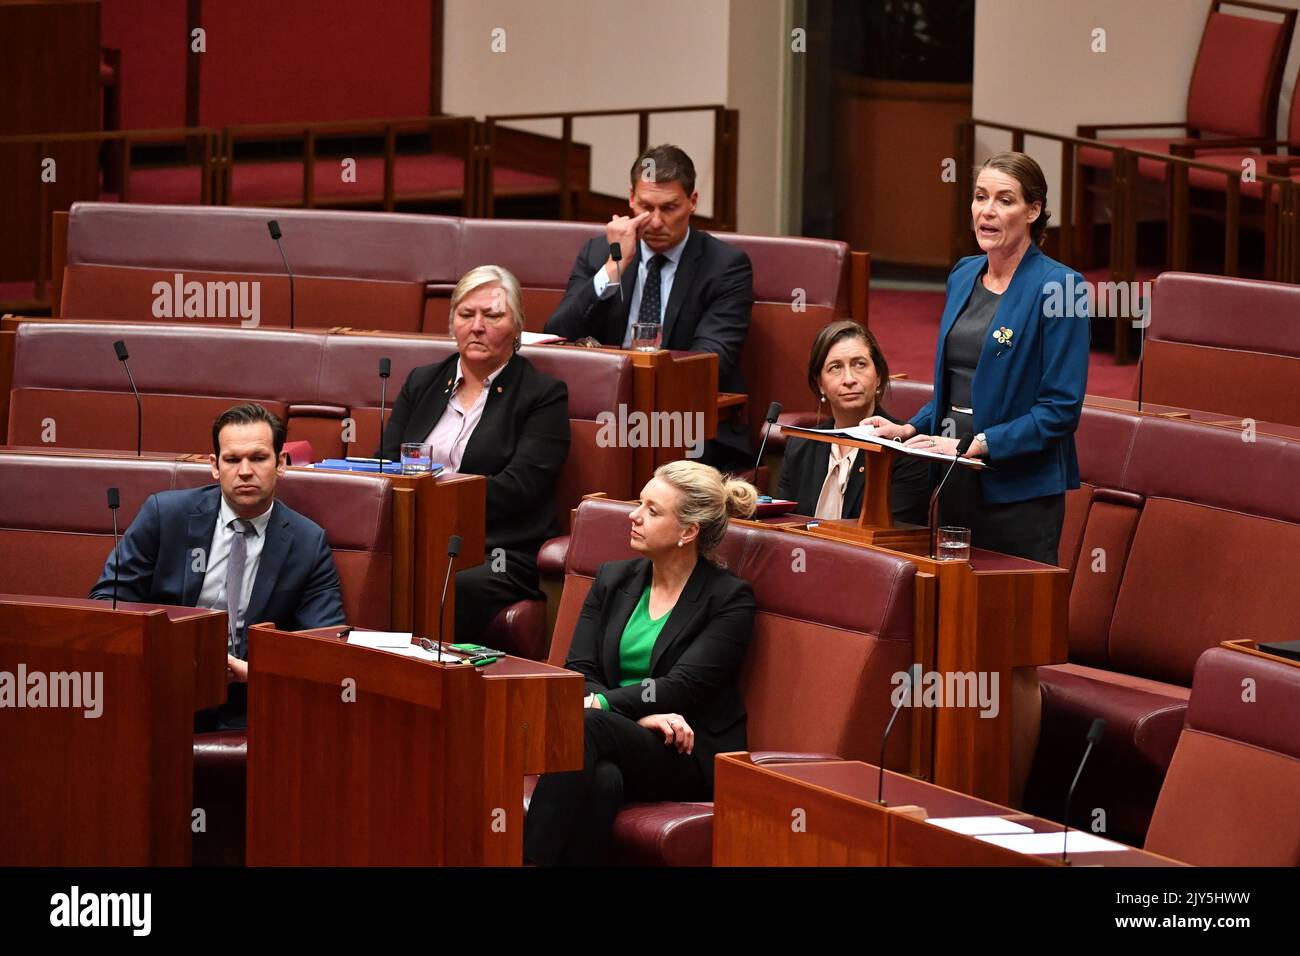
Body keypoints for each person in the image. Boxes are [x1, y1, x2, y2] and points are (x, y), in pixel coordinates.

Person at [523, 461, 758, 866]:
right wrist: (630, 719)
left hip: (688, 749)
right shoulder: (613, 579)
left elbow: (682, 686)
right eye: (639, 503)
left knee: (588, 723)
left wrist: (608, 708)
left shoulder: (729, 599)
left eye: (653, 510)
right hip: (620, 735)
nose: (633, 515)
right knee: (602, 780)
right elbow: (580, 670)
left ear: (688, 532)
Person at [866, 151, 1089, 565]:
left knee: (1007, 619)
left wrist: (979, 444)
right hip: (954, 477)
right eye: (980, 197)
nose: (987, 211)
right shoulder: (964, 273)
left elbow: (1060, 410)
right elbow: (954, 386)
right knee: (952, 611)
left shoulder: (1062, 287)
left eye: (1005, 200)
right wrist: (908, 427)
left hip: (1018, 491)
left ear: (1033, 210)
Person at [90, 402, 345, 729]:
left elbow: (325, 644)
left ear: (281, 463)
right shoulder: (164, 516)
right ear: (214, 465)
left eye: (258, 458)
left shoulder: (307, 542)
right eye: (232, 459)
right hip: (162, 686)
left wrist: (255, 673)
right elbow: (106, 604)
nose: (245, 471)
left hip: (253, 700)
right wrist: (172, 659)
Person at [379, 265, 570, 643]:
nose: (477, 326)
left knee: (442, 582)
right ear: (452, 323)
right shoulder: (423, 381)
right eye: (466, 315)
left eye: (493, 315)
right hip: (414, 535)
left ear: (517, 327)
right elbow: (384, 462)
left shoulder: (541, 394)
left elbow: (520, 488)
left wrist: (435, 504)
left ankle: (426, 685)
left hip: (498, 550)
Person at [544, 143, 753, 467]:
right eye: (646, 207)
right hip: (605, 408)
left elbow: (711, 361)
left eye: (669, 208)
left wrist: (640, 393)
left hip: (684, 418)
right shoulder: (601, 253)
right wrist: (616, 265)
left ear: (692, 202)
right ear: (631, 198)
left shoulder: (725, 266)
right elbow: (558, 334)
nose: (655, 222)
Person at [777, 320, 929, 525]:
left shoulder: (904, 452)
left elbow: (893, 538)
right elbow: (782, 526)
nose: (849, 379)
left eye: (860, 364)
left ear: (878, 376)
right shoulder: (800, 448)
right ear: (820, 384)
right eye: (835, 367)